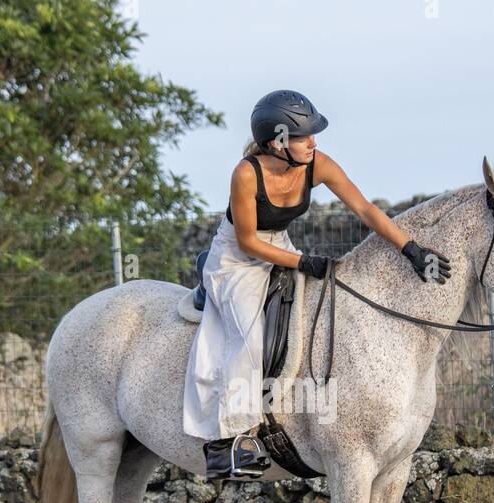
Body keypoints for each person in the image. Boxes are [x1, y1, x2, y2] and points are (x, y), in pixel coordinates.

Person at [182, 89, 452, 480]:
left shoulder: (317, 164)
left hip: (278, 244)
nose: (313, 142)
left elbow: (364, 208)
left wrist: (410, 248)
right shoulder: (246, 174)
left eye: (312, 134)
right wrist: (304, 262)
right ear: (276, 143)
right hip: (237, 258)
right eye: (303, 136)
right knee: (249, 335)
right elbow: (247, 241)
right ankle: (228, 443)